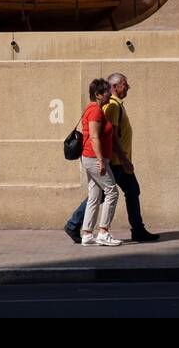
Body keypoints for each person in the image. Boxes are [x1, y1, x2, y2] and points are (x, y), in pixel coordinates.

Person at [63, 72, 159, 243]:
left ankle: (136, 229)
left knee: (126, 192)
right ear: (113, 88)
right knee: (106, 194)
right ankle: (87, 227)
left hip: (116, 160)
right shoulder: (111, 106)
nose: (128, 86)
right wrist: (122, 159)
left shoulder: (112, 105)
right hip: (114, 161)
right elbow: (109, 136)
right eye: (125, 84)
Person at [77, 77, 122, 246]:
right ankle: (103, 232)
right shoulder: (95, 110)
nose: (110, 96)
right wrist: (101, 161)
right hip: (94, 158)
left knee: (95, 195)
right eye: (107, 93)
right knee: (112, 192)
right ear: (98, 94)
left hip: (90, 158)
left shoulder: (93, 108)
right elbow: (94, 137)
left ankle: (87, 234)